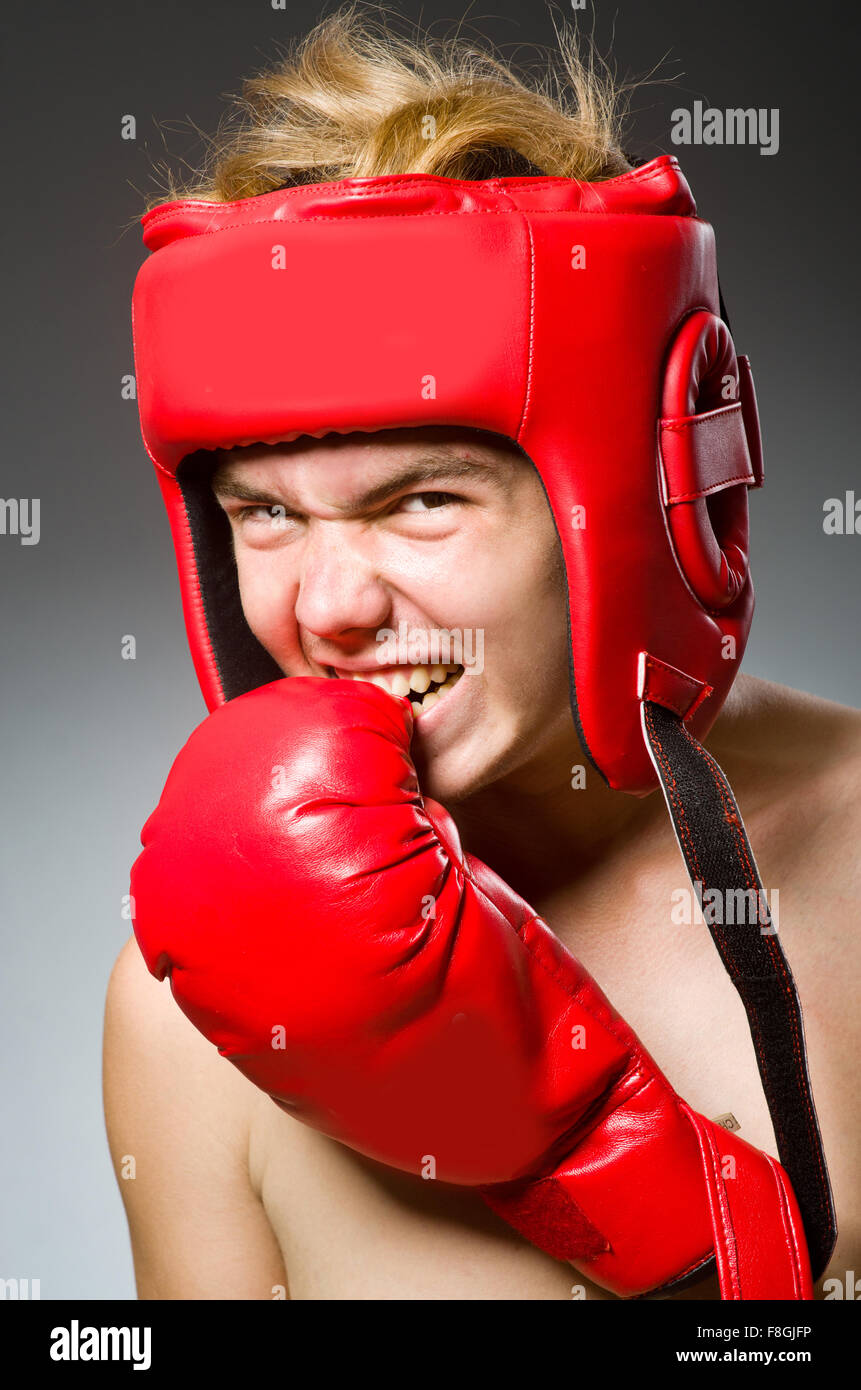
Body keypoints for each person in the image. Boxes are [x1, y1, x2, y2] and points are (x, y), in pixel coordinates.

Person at [103, 3, 859, 1300]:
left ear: (638, 501)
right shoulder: (190, 1011)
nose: (330, 606)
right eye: (266, 513)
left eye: (420, 501)